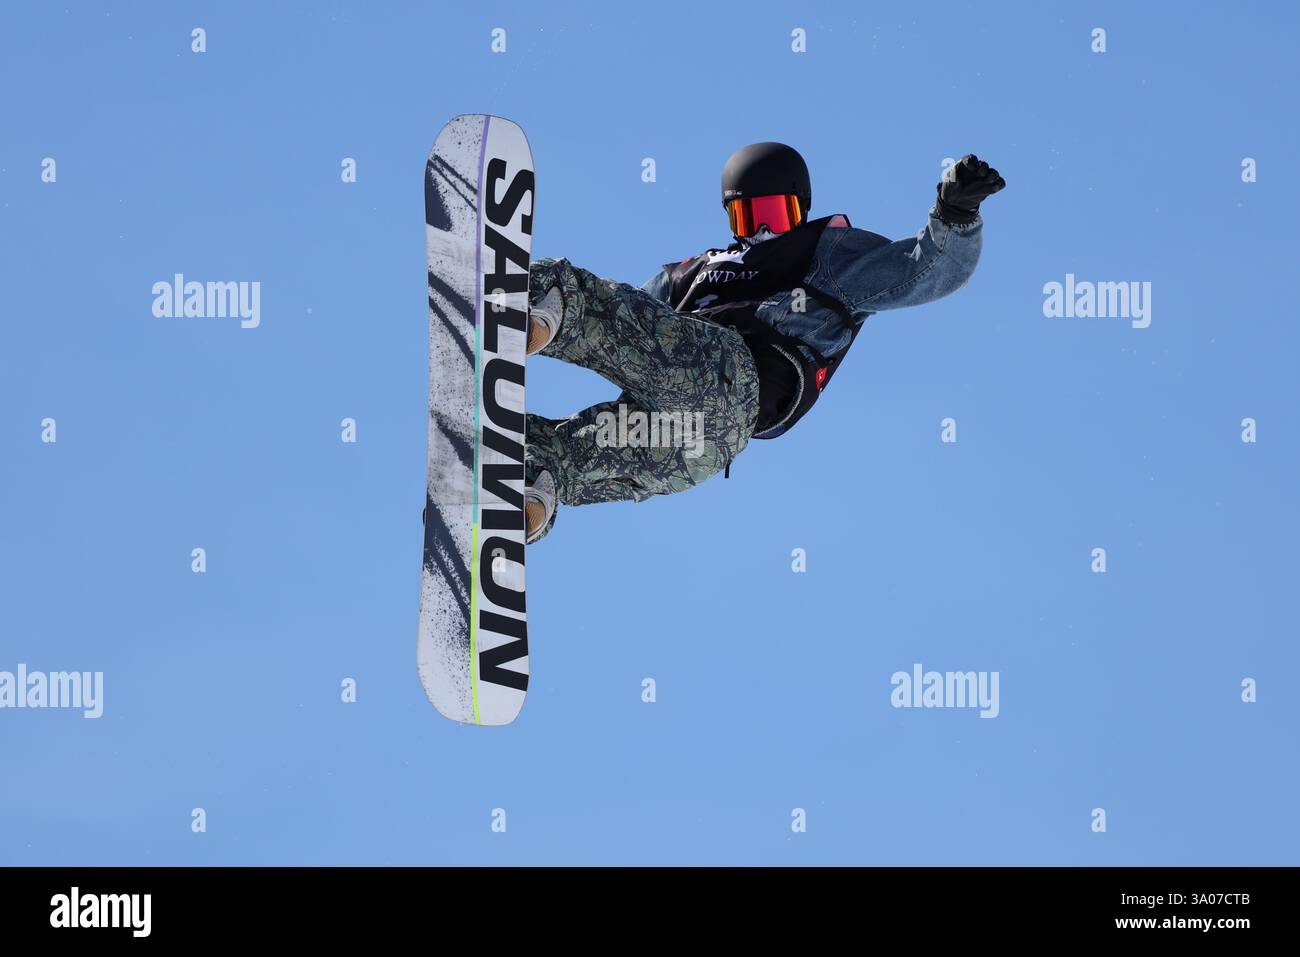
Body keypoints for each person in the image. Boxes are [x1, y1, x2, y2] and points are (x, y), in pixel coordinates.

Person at [521, 143, 1005, 542]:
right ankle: (529, 486)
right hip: (695, 446)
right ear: (731, 217)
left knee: (580, 298)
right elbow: (627, 325)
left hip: (731, 382)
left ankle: (535, 302)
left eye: (778, 212)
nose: (766, 229)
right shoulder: (689, 272)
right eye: (750, 216)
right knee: (575, 452)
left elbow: (922, 271)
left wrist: (954, 214)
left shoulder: (826, 253)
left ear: (801, 208)